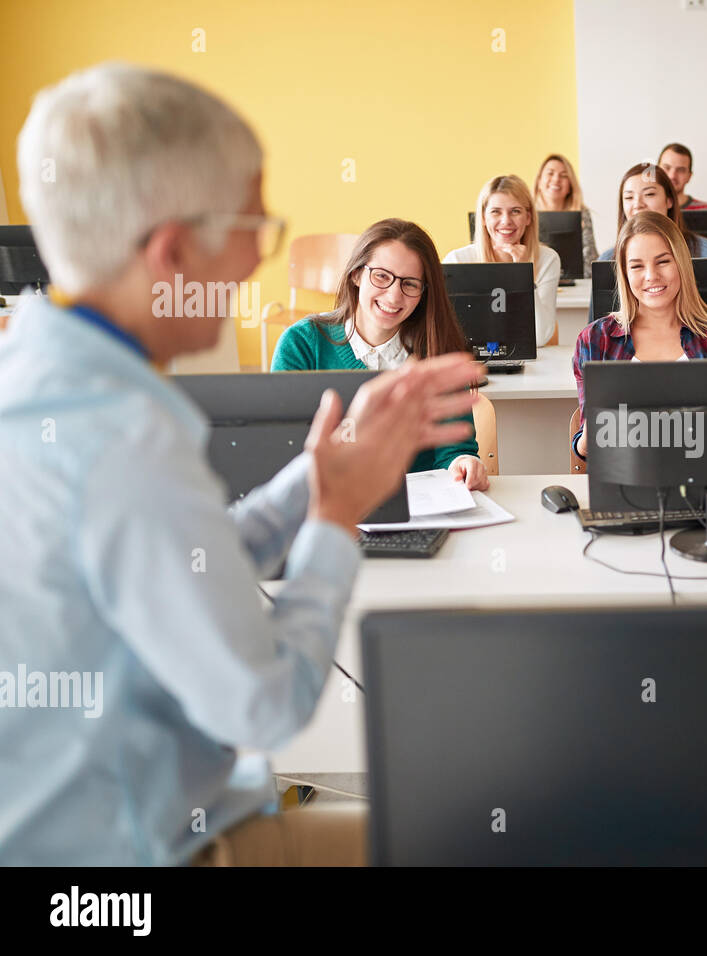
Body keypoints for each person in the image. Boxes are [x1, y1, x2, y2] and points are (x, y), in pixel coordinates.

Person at [0, 64, 481, 865]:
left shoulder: (43, 378)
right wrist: (335, 518)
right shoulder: (126, 438)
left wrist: (327, 470)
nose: (262, 257)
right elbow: (267, 705)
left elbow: (192, 556)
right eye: (252, 227)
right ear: (175, 251)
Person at [271, 218, 488, 490]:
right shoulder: (301, 343)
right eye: (382, 276)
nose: (394, 296)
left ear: (424, 293)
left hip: (418, 508)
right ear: (356, 274)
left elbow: (454, 453)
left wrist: (463, 463)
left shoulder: (438, 352)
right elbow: (281, 449)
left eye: (409, 284)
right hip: (325, 501)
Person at [572, 211, 707, 460]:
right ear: (624, 273)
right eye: (637, 266)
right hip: (625, 484)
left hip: (705, 483)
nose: (651, 275)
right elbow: (589, 450)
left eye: (663, 261)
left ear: (681, 262)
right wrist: (587, 441)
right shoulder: (595, 340)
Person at [598, 163, 707, 338]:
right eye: (629, 197)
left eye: (649, 194)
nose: (638, 204)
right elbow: (598, 337)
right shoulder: (608, 259)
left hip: (704, 354)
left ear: (669, 200)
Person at [443, 174, 561, 347]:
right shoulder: (457, 260)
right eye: (495, 212)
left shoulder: (548, 259)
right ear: (483, 218)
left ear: (528, 217)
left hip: (529, 362)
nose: (506, 221)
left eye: (515, 211)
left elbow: (540, 337)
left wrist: (522, 274)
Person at [533, 153, 598, 277]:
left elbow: (590, 262)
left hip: (576, 285)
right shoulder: (526, 214)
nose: (556, 179)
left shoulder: (582, 214)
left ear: (570, 186)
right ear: (539, 182)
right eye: (550, 173)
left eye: (564, 176)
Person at [658, 142, 707, 211]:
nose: (672, 176)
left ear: (689, 176)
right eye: (667, 167)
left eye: (681, 170)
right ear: (656, 171)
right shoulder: (645, 209)